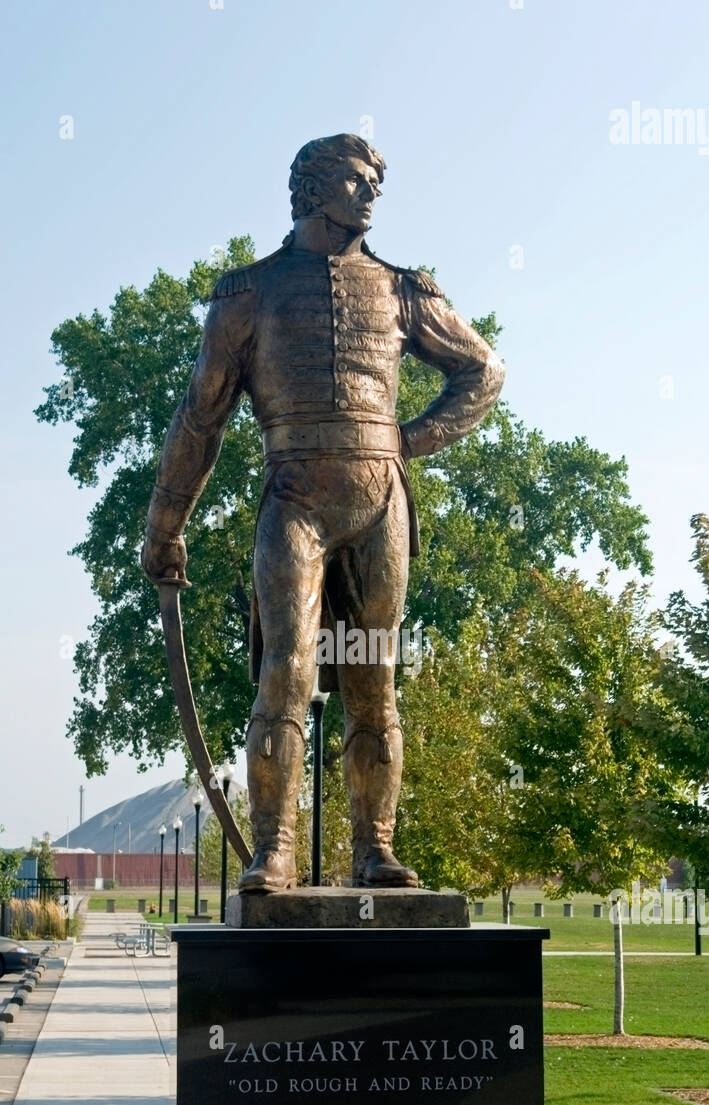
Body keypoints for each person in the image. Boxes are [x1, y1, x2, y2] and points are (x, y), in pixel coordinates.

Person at [142, 134, 505, 892]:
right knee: (287, 670)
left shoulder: (403, 289)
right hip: (294, 499)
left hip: (380, 502)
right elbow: (200, 418)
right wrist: (164, 525)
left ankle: (375, 849)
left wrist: (410, 439)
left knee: (374, 677)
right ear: (310, 188)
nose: (371, 193)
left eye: (375, 182)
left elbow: (483, 369)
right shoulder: (249, 293)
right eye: (355, 180)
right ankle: (274, 849)